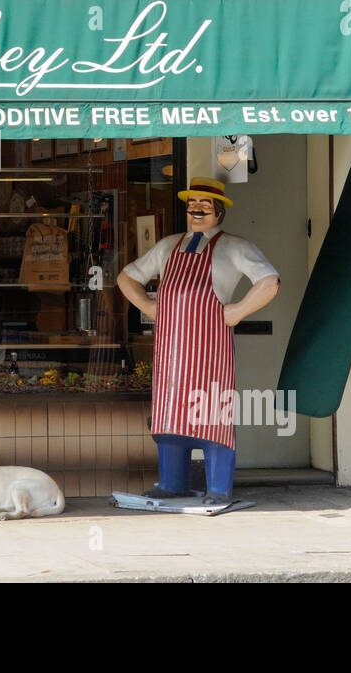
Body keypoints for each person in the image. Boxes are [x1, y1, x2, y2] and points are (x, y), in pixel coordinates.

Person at [116, 177, 279, 504]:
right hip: (169, 353)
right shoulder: (167, 245)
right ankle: (172, 482)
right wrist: (148, 306)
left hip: (210, 354)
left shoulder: (234, 246)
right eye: (192, 206)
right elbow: (126, 277)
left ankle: (218, 487)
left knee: (213, 414)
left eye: (204, 206)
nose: (197, 211)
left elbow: (269, 282)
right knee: (169, 417)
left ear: (219, 212)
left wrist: (238, 311)